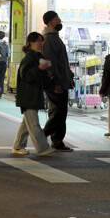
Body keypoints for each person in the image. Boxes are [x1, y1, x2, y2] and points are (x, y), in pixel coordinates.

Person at [12, 32, 56, 157]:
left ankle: (18, 145)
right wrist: (40, 69)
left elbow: (40, 78)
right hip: (28, 95)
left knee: (27, 123)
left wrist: (50, 81)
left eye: (42, 41)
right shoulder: (30, 58)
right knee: (34, 124)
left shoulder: (36, 56)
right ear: (30, 43)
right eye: (38, 41)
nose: (40, 44)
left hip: (32, 95)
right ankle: (43, 148)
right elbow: (25, 75)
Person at [41, 11, 74, 152]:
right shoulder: (49, 39)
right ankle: (42, 136)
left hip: (61, 81)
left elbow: (61, 62)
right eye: (56, 19)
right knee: (58, 112)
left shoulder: (54, 37)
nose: (60, 20)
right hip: (56, 83)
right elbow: (50, 63)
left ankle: (57, 140)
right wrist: (55, 82)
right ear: (50, 22)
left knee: (59, 111)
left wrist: (69, 77)